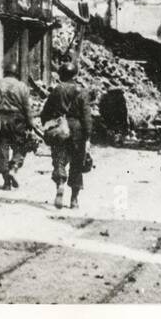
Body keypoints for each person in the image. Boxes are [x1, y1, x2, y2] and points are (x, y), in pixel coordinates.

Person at [40, 61, 92, 210]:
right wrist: (88, 136)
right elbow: (87, 116)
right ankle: (74, 200)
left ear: (61, 74)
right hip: (77, 130)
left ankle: (60, 184)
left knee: (59, 160)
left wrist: (48, 124)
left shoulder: (56, 91)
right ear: (75, 75)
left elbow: (45, 112)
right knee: (77, 164)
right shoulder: (81, 92)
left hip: (60, 128)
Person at [0, 60, 35, 189]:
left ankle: (6, 182)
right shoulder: (22, 86)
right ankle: (15, 166)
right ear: (16, 73)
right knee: (21, 145)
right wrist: (30, 123)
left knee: (2, 149)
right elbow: (27, 107)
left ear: (5, 72)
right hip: (18, 120)